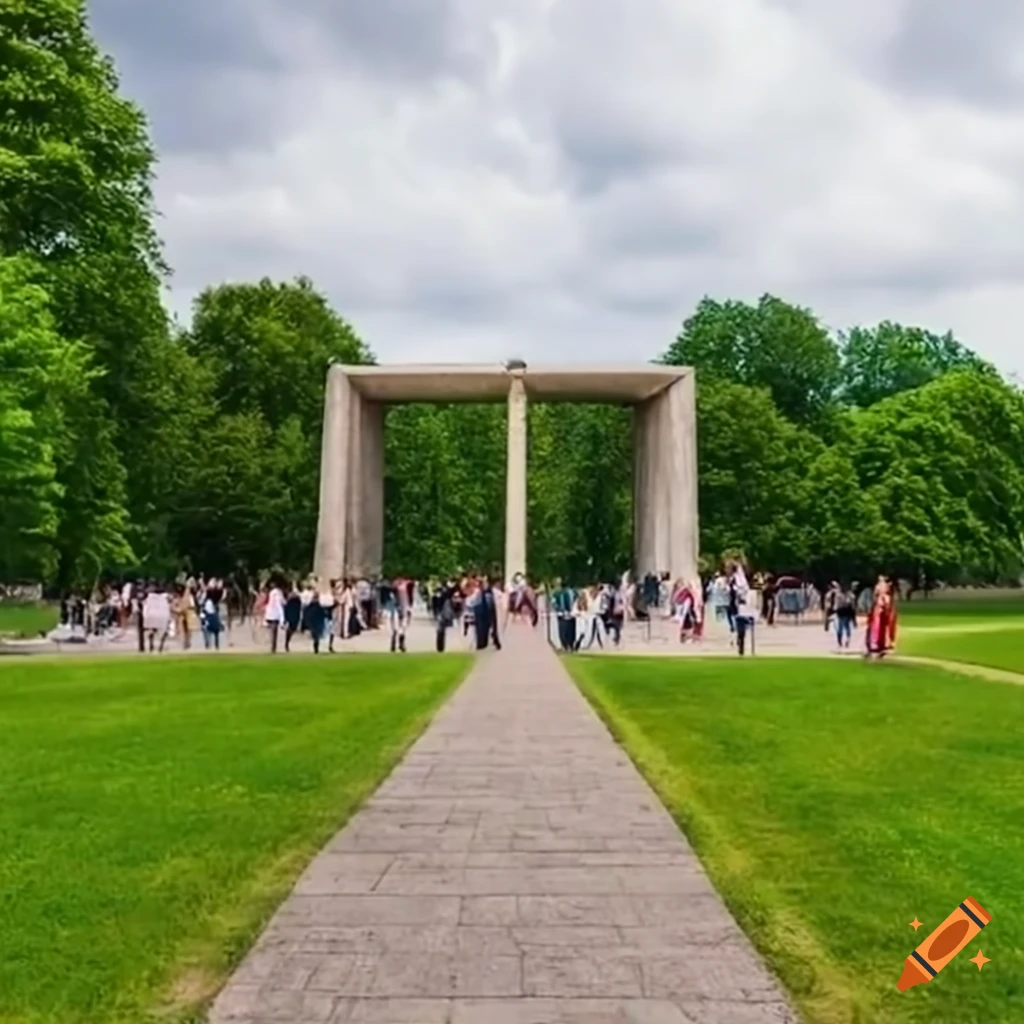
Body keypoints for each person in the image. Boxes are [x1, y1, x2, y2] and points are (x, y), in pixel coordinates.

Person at [865, 575, 897, 658]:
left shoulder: (883, 597)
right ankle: (881, 643)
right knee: (881, 627)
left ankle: (877, 644)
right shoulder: (887, 597)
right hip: (881, 610)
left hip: (880, 610)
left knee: (878, 627)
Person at [264, 580, 285, 653]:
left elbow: (268, 604)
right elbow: (281, 603)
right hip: (275, 615)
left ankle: (272, 646)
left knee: (272, 631)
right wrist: (282, 619)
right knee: (274, 632)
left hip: (270, 614)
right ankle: (273, 647)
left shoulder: (271, 593)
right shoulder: (278, 593)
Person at [835, 582, 857, 648]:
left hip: (844, 612)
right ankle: (842, 640)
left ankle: (843, 641)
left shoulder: (841, 595)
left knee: (842, 627)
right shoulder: (848, 595)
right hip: (844, 612)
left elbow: (836, 605)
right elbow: (852, 606)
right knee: (844, 627)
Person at [283, 584, 302, 652]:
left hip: (295, 615)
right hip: (292, 615)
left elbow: (299, 608)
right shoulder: (291, 601)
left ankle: (287, 642)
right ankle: (286, 643)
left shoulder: (297, 600)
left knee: (292, 629)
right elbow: (286, 608)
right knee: (290, 629)